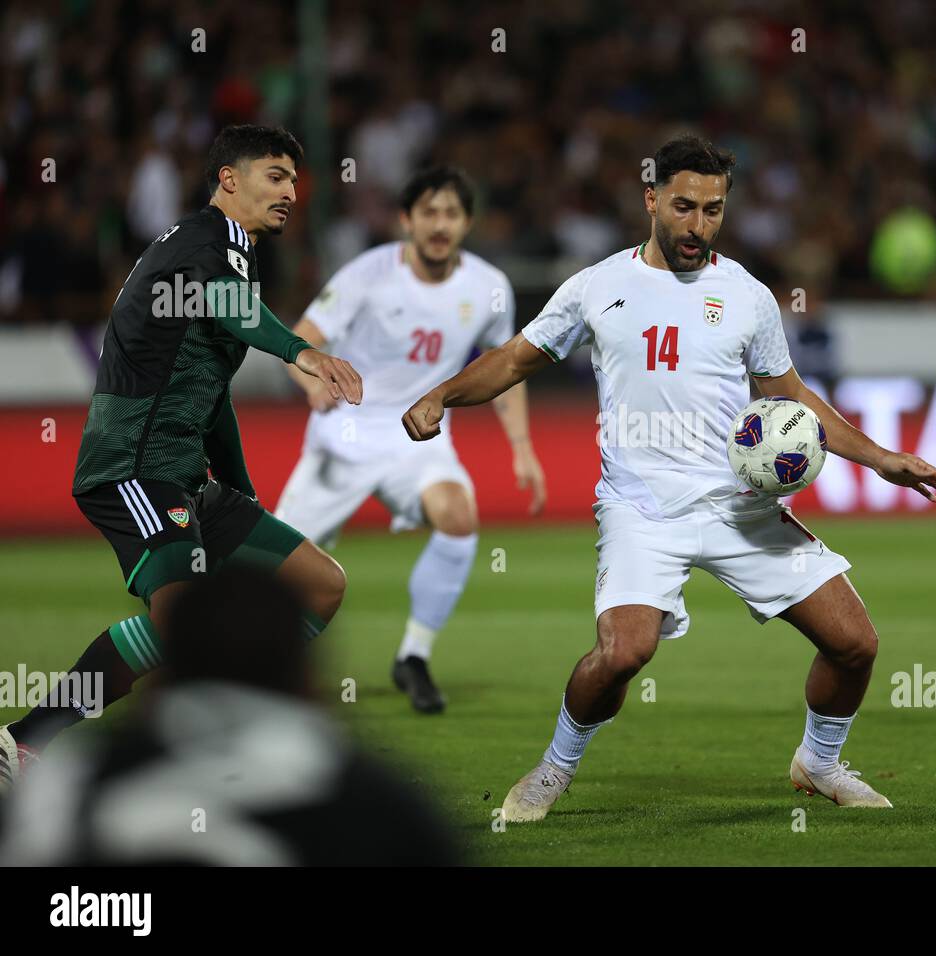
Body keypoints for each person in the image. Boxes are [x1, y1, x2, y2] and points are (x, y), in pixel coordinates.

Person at [402, 134, 936, 821]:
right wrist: (441, 396)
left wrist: (882, 459)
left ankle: (819, 761)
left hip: (738, 506)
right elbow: (514, 360)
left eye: (714, 211)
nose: (699, 226)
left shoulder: (746, 295)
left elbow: (790, 397)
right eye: (686, 207)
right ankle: (554, 767)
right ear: (652, 198)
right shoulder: (598, 286)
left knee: (855, 644)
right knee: (622, 653)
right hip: (643, 509)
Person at [0, 125, 363, 794]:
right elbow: (239, 311)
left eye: (293, 180)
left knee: (321, 584)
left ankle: (244, 721)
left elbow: (209, 391)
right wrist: (302, 352)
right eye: (274, 176)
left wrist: (243, 490)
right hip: (134, 463)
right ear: (229, 179)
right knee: (185, 622)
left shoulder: (226, 253)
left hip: (185, 471)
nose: (290, 191)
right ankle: (29, 743)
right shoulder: (209, 243)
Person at [275, 166, 546, 714]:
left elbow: (505, 371)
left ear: (467, 222)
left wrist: (522, 447)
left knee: (458, 515)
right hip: (343, 433)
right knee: (281, 566)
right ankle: (262, 669)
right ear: (406, 220)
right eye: (428, 212)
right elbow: (299, 341)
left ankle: (413, 657)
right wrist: (310, 383)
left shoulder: (488, 287)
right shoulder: (366, 274)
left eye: (451, 213)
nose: (439, 224)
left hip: (416, 434)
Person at [0, 567, 461, 865]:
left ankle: (29, 738)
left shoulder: (67, 785)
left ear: (162, 674)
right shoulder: (378, 806)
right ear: (305, 677)